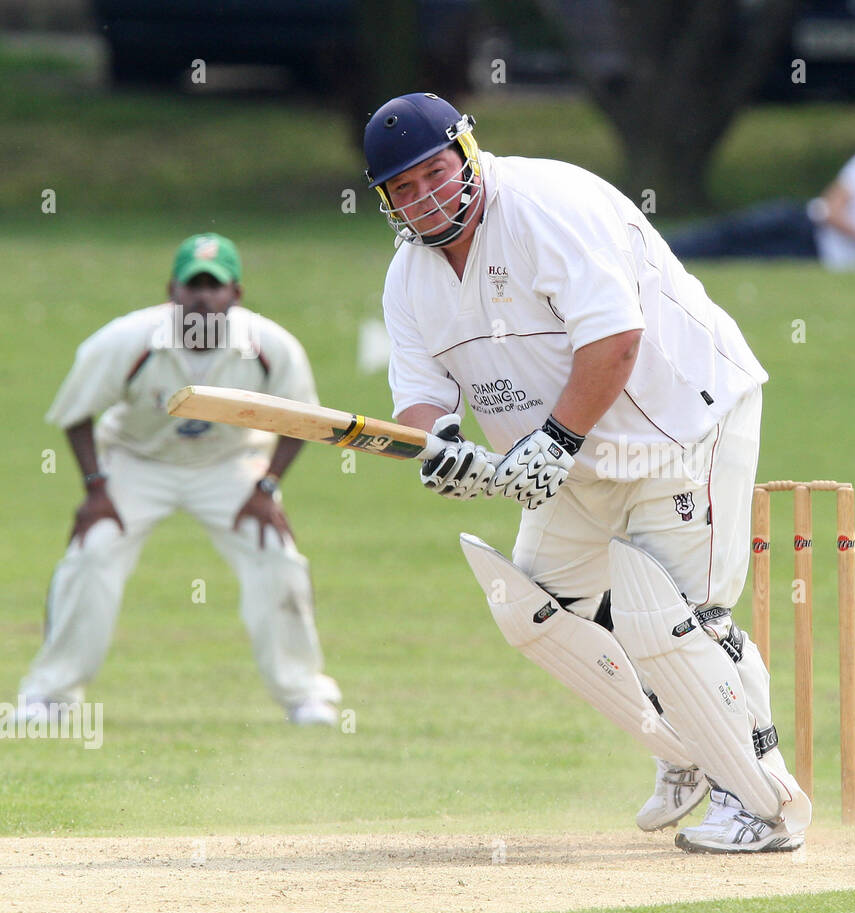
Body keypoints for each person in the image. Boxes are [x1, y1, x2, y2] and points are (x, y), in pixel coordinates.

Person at [364, 91, 811, 853]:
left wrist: (552, 443)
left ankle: (765, 808)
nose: (424, 196)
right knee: (531, 604)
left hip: (678, 425)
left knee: (670, 620)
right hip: (570, 453)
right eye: (401, 188)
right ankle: (686, 752)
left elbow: (614, 341)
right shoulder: (409, 278)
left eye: (433, 172)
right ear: (384, 201)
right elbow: (421, 400)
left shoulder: (549, 205)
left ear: (467, 154)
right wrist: (443, 451)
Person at [17, 234, 342, 726]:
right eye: (193, 286)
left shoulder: (271, 347)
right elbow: (76, 414)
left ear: (236, 293)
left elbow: (303, 421)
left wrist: (267, 488)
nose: (202, 297)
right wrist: (96, 490)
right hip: (136, 462)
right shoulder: (126, 341)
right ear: (172, 291)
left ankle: (304, 696)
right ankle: (50, 697)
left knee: (276, 555)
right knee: (92, 555)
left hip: (230, 463)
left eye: (215, 287)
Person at [668, 116, 855, 269]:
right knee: (730, 232)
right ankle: (665, 251)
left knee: (744, 257)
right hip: (806, 221)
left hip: (826, 255)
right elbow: (831, 205)